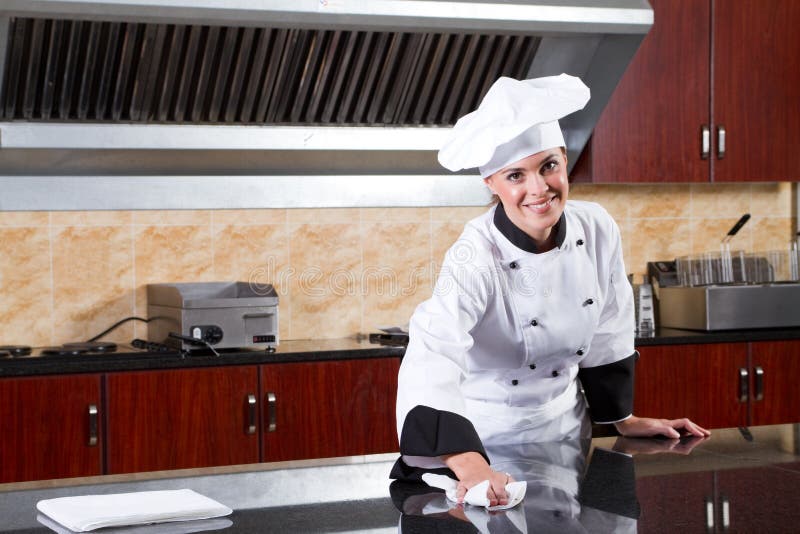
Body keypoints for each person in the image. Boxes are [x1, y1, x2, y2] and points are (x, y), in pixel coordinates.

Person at [390, 74, 709, 508]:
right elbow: (433, 352)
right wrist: (469, 464)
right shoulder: (475, 254)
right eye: (515, 175)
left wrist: (623, 418)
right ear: (491, 184)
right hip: (487, 444)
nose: (539, 188)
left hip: (567, 434)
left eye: (549, 166)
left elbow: (610, 324)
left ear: (564, 161)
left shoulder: (596, 227)